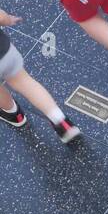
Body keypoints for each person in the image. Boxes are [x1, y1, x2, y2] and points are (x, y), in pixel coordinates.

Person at [0, 8, 81, 143]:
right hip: (4, 51)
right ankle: (61, 121)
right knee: (25, 82)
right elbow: (2, 17)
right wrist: (9, 20)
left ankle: (14, 115)